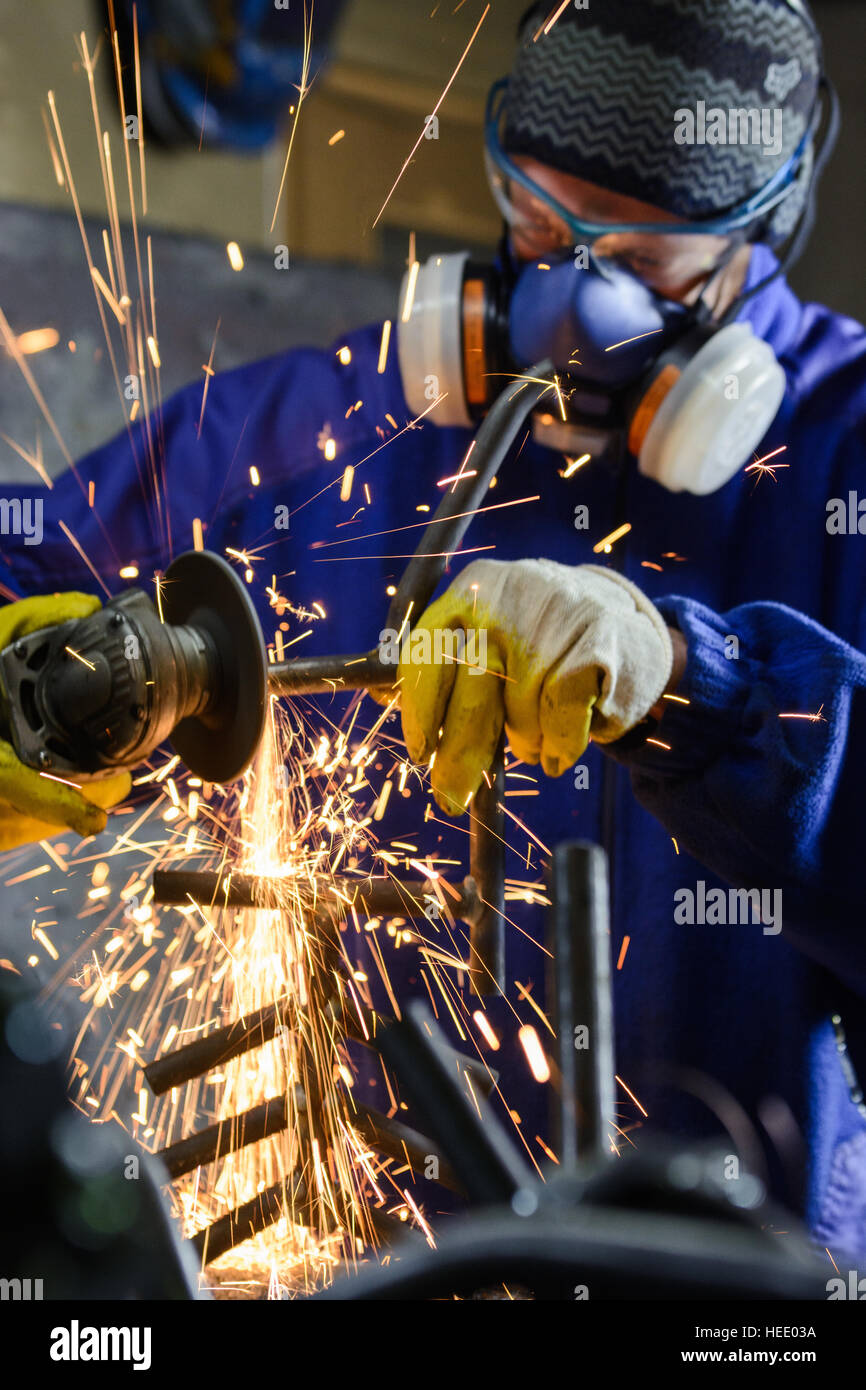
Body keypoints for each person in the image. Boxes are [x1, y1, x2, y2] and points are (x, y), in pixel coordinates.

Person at [1, 0, 864, 1259]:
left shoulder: (843, 452)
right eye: (542, 224)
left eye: (642, 253)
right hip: (359, 1253)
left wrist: (696, 689)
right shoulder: (326, 433)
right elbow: (30, 570)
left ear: (765, 219)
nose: (576, 299)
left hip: (738, 1272)